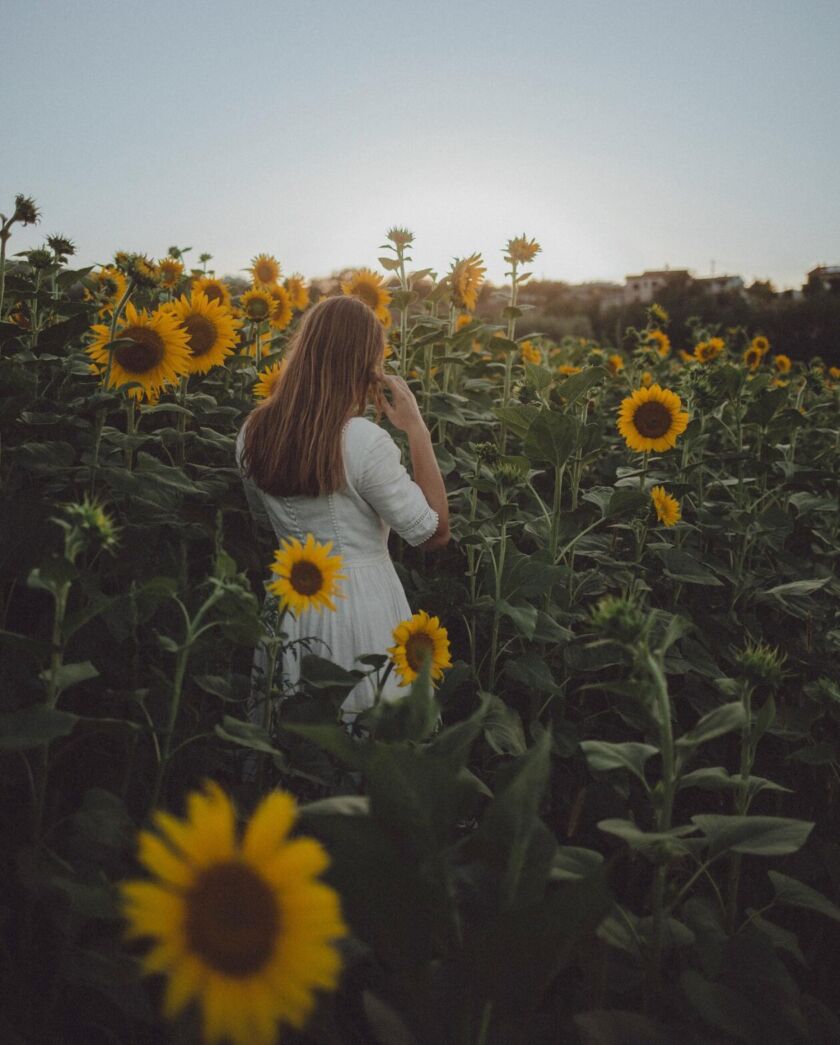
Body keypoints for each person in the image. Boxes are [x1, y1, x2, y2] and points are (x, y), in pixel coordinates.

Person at [235, 294, 450, 726]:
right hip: (360, 604)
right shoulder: (363, 441)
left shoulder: (252, 432)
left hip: (288, 604)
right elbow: (433, 534)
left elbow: (263, 520)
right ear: (365, 366)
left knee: (291, 738)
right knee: (369, 738)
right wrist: (417, 431)